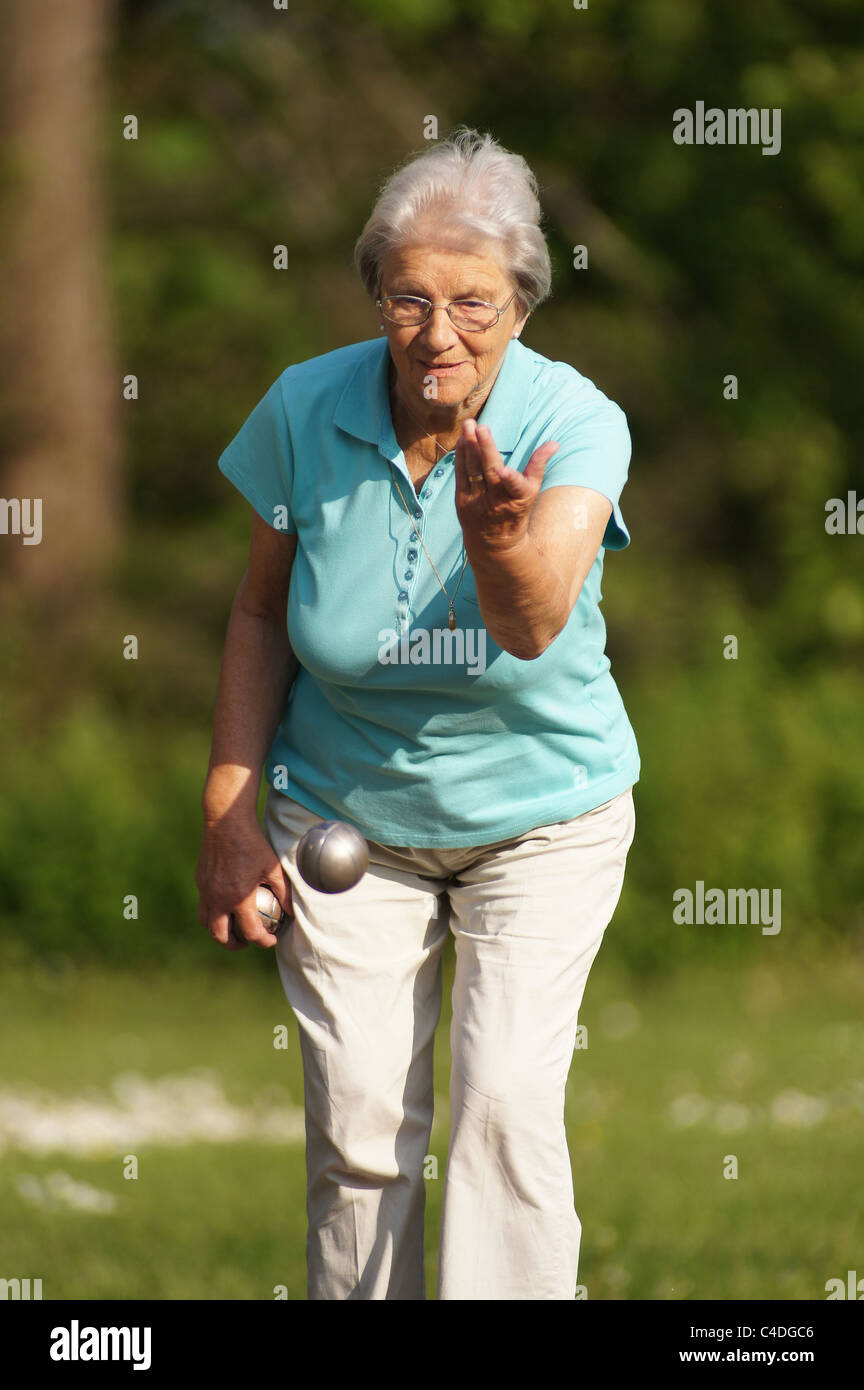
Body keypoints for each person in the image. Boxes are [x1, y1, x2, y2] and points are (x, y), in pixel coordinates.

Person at [196, 127, 639, 1301]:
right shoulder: (304, 408)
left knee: (500, 1113)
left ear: (524, 309)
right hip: (344, 815)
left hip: (541, 816)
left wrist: (498, 538)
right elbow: (256, 614)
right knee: (356, 1126)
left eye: (475, 305)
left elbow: (533, 624)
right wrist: (229, 809)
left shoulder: (578, 425)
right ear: (376, 295)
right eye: (408, 299)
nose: (438, 335)